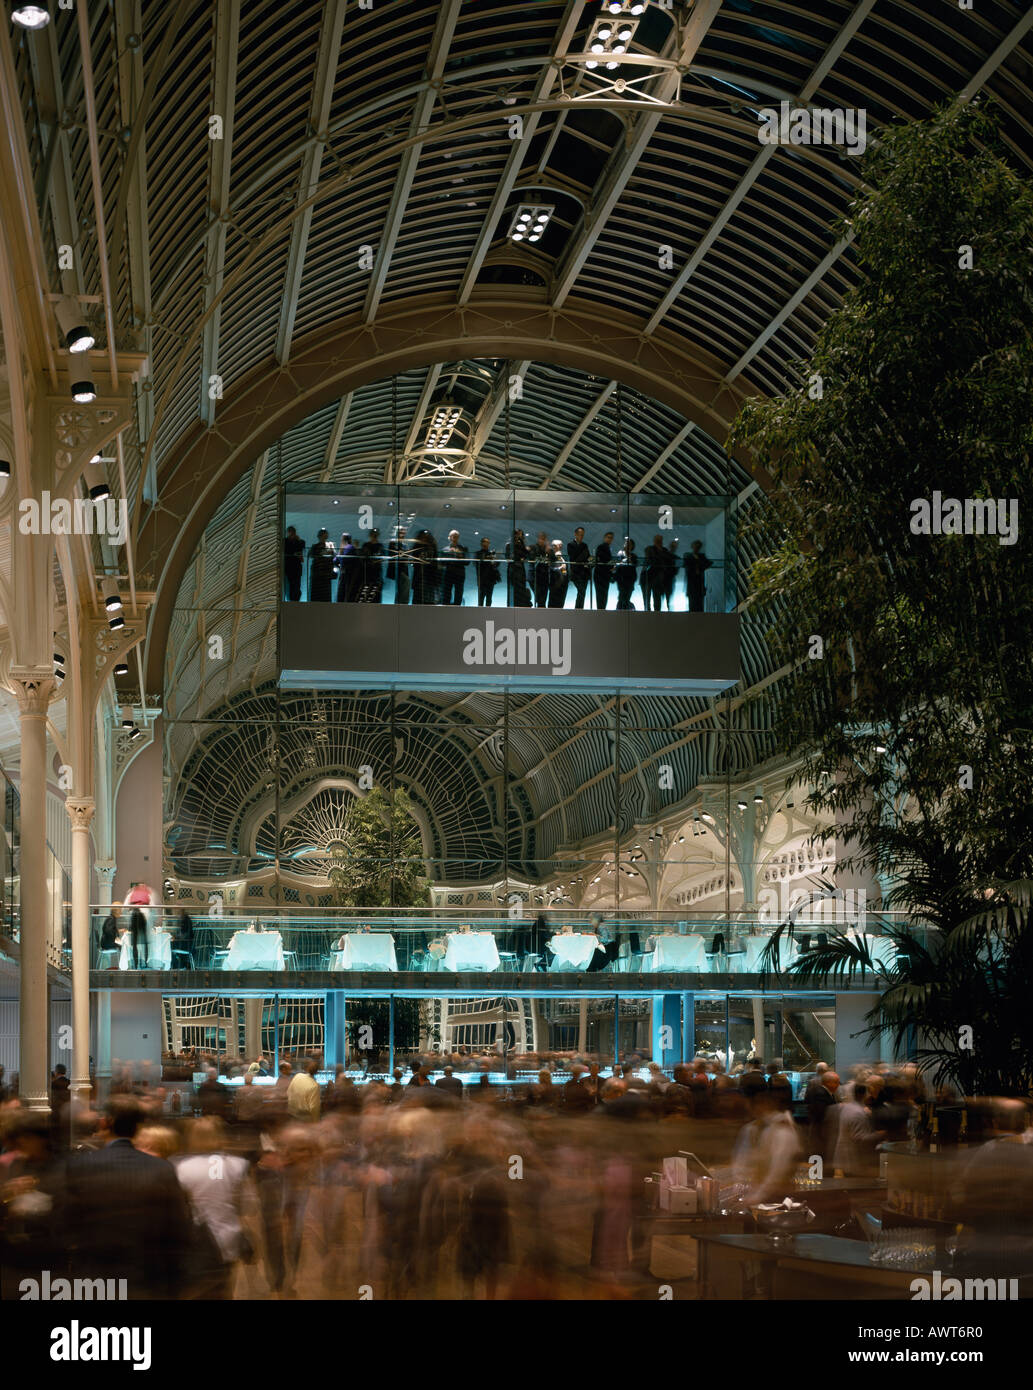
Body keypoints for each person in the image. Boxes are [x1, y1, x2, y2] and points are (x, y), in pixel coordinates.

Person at [63, 1096, 194, 1299]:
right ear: (138, 1127)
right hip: (147, 1275)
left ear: (105, 1122)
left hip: (96, 1276)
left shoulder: (79, 1166)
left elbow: (68, 1224)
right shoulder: (161, 1168)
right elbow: (177, 1228)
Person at [173, 1116, 251, 1298]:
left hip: (194, 1238)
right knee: (223, 1289)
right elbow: (249, 1205)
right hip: (227, 1237)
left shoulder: (181, 1168)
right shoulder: (236, 1165)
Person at [805, 1068, 840, 1163]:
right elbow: (822, 1114)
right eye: (836, 1082)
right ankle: (819, 1173)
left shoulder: (821, 1091)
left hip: (819, 1128)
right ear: (828, 1083)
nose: (838, 1085)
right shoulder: (821, 1094)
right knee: (819, 1152)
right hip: (821, 1129)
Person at [643, 535, 675, 612]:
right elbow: (654, 558)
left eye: (660, 540)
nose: (659, 541)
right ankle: (648, 615)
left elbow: (669, 559)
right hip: (649, 578)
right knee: (648, 600)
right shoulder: (649, 549)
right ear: (654, 540)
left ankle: (656, 615)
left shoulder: (664, 550)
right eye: (657, 540)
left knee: (657, 600)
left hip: (659, 579)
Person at [440, 529, 469, 605]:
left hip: (459, 574)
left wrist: (460, 556)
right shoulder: (444, 550)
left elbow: (467, 562)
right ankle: (446, 609)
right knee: (447, 592)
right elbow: (441, 563)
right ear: (449, 537)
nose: (455, 538)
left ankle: (457, 609)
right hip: (448, 573)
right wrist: (449, 555)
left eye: (456, 536)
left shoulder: (463, 549)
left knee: (459, 593)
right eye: (453, 536)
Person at [684, 539, 713, 612]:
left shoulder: (701, 556)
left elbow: (709, 563)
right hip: (693, 583)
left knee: (699, 604)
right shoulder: (689, 556)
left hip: (699, 584)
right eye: (696, 546)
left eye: (698, 547)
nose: (696, 548)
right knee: (693, 603)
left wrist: (699, 567)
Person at [411, 530, 439, 604]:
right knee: (418, 597)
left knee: (428, 598)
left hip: (429, 576)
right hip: (420, 576)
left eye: (426, 537)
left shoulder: (432, 547)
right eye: (423, 537)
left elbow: (434, 562)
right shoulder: (417, 547)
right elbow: (413, 561)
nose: (424, 539)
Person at [567, 527, 591, 609]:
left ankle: (579, 609)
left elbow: (587, 557)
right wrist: (584, 555)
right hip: (576, 573)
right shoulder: (570, 545)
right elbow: (574, 559)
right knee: (581, 591)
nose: (581, 536)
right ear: (575, 534)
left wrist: (586, 558)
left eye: (582, 535)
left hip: (584, 573)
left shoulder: (584, 545)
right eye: (580, 535)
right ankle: (578, 609)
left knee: (582, 592)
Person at [388, 525, 412, 605]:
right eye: (401, 532)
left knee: (403, 588)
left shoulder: (404, 544)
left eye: (403, 532)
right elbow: (394, 554)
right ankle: (399, 604)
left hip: (403, 569)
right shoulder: (394, 542)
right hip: (397, 569)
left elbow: (407, 556)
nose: (402, 534)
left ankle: (401, 604)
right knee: (401, 588)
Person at [359, 528, 385, 602]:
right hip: (367, 574)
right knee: (366, 594)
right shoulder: (366, 545)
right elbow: (363, 558)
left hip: (376, 574)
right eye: (373, 534)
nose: (374, 536)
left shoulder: (380, 546)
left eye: (375, 534)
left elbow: (382, 559)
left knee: (376, 594)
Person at [335, 533, 360, 603]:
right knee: (346, 595)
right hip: (347, 574)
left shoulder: (347, 548)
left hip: (347, 575)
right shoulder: (349, 548)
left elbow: (337, 560)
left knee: (343, 595)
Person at [475, 536, 500, 606]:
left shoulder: (491, 553)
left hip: (490, 579)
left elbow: (496, 564)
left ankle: (488, 614)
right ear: (481, 543)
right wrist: (490, 558)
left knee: (489, 598)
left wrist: (494, 558)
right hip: (482, 579)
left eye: (487, 542)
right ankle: (480, 614)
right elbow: (479, 563)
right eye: (484, 542)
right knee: (481, 598)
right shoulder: (478, 553)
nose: (486, 544)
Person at [615, 537, 638, 609]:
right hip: (622, 580)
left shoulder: (633, 556)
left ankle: (625, 610)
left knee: (626, 597)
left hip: (630, 580)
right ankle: (621, 610)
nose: (627, 545)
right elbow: (618, 565)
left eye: (629, 544)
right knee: (622, 597)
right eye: (626, 543)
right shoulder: (620, 554)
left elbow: (634, 563)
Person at [594, 531, 615, 610]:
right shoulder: (602, 547)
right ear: (605, 538)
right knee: (602, 595)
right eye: (609, 537)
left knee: (602, 595)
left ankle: (601, 611)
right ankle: (601, 611)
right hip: (601, 575)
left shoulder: (606, 547)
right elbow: (603, 560)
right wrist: (611, 565)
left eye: (611, 538)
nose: (610, 539)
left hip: (603, 575)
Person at [283, 525, 305, 601]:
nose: (292, 534)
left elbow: (302, 546)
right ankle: (290, 600)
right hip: (288, 568)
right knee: (289, 586)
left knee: (296, 586)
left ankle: (295, 600)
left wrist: (297, 540)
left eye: (293, 532)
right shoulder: (285, 541)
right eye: (290, 532)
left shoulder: (299, 542)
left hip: (296, 568)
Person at [547, 539, 568, 608]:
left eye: (557, 545)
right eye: (553, 546)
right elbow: (549, 568)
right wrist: (559, 568)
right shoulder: (550, 557)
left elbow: (566, 570)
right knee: (552, 604)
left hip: (563, 583)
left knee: (561, 603)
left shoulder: (564, 557)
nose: (554, 547)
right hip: (554, 583)